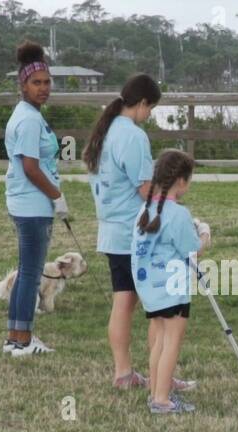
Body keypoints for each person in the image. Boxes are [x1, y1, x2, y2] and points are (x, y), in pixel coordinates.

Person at [83, 74, 195, 391]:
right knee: (158, 308)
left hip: (112, 230)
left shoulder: (105, 130)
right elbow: (146, 188)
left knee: (125, 302)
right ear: (143, 103)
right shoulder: (132, 136)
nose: (149, 116)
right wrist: (174, 210)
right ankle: (160, 379)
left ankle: (125, 373)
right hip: (135, 233)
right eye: (151, 109)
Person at [2, 41, 68, 357]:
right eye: (36, 83)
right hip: (32, 206)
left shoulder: (28, 113)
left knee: (26, 269)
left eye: (46, 82)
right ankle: (24, 340)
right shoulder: (28, 119)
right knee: (30, 273)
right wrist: (57, 196)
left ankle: (15, 336)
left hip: (27, 203)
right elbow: (30, 167)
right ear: (23, 85)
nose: (43, 88)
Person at [131, 150, 210, 414]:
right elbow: (193, 248)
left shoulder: (144, 209)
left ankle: (156, 392)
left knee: (160, 341)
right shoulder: (178, 214)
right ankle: (162, 400)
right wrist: (205, 234)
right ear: (181, 181)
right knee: (171, 342)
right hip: (172, 290)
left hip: (150, 288)